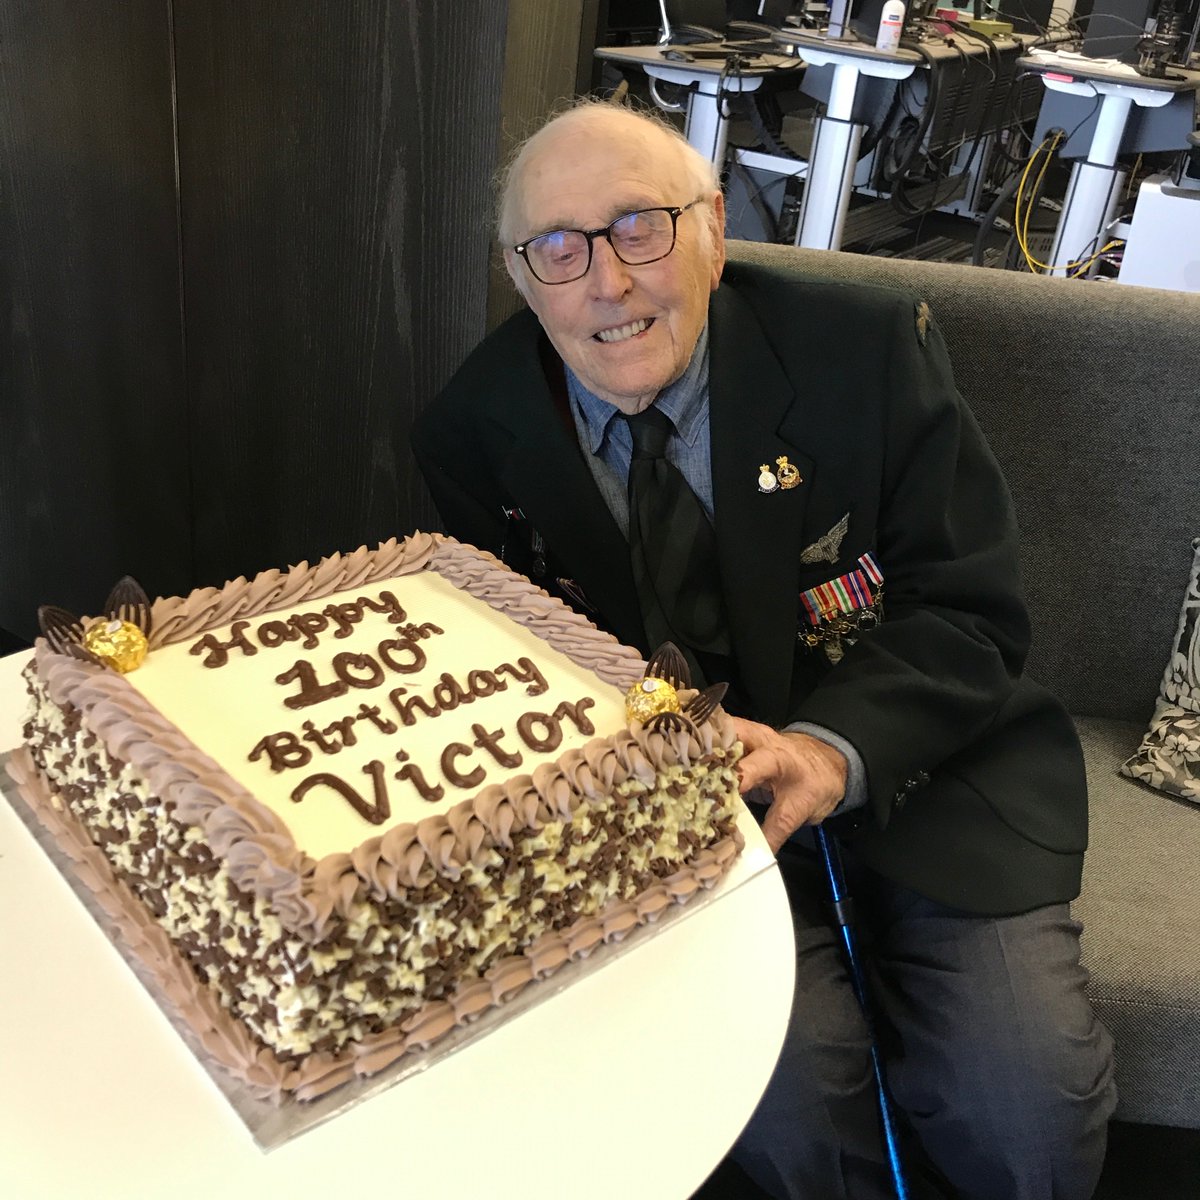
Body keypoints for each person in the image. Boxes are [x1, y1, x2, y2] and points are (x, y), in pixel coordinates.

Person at [412, 99, 1116, 1199]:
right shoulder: (469, 433)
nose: (606, 281)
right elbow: (504, 682)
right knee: (790, 1105)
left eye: (639, 227)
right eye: (556, 249)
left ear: (714, 235)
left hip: (924, 769)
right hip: (691, 826)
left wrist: (830, 750)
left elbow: (970, 611)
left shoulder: (865, 353)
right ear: (520, 276)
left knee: (1025, 1107)